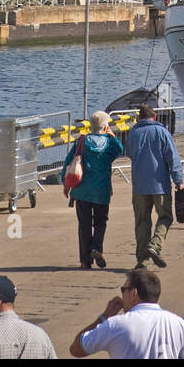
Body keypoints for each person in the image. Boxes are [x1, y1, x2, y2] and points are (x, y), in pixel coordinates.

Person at [71, 266, 184, 359]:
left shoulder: (116, 325)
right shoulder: (177, 323)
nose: (122, 295)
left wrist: (104, 317)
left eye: (123, 290)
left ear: (134, 293)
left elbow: (77, 349)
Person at [60, 111, 124, 270]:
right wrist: (112, 136)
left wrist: (66, 183)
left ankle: (85, 261)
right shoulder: (109, 144)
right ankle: (97, 248)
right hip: (101, 191)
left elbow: (69, 162)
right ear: (105, 126)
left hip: (82, 191)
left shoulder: (82, 141)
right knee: (101, 222)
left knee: (84, 225)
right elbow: (120, 150)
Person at [125, 104, 184, 269]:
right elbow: (172, 158)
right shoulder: (161, 132)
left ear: (139, 117)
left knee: (142, 221)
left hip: (139, 186)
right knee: (165, 217)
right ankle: (155, 245)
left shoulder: (133, 133)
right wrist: (178, 180)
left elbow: (129, 153)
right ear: (155, 117)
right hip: (160, 185)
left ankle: (142, 260)